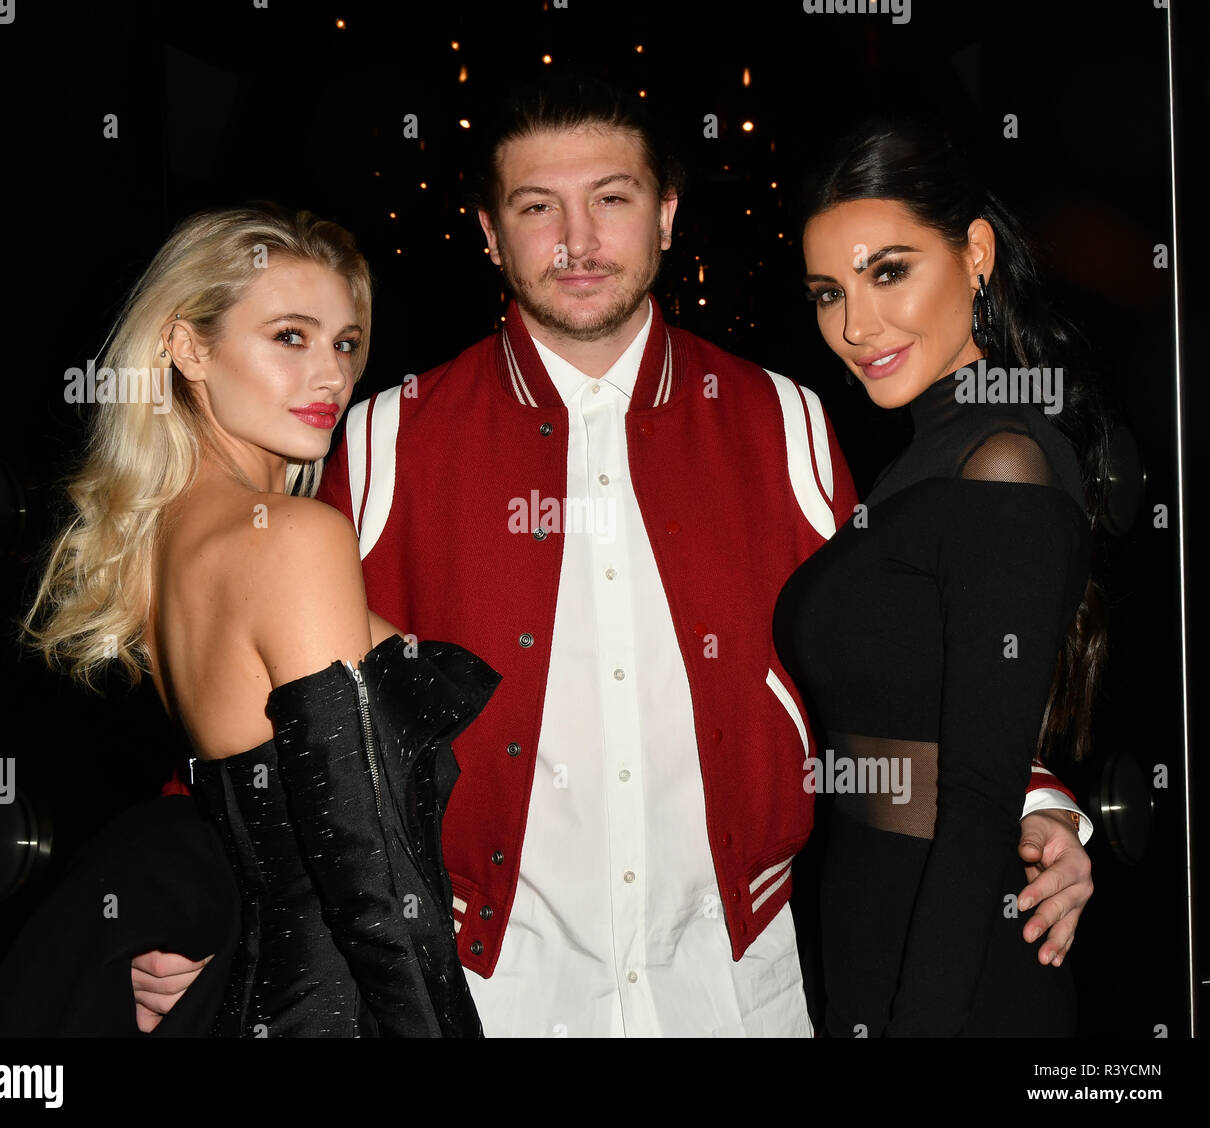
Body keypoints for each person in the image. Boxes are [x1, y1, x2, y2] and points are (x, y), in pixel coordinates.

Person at [134, 76, 1096, 1037]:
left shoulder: (785, 418)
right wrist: (193, 903)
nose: (579, 242)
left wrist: (1038, 800)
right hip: (486, 989)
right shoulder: (386, 434)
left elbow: (909, 651)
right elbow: (268, 699)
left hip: (745, 982)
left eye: (613, 199)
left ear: (667, 214)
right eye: (537, 207)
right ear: (488, 232)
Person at [13, 203, 499, 1037]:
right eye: (289, 336)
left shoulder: (167, 546)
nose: (331, 376)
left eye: (346, 342)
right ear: (189, 347)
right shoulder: (293, 540)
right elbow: (376, 890)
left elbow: (266, 841)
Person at [773, 117, 1108, 1035]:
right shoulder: (918, 461)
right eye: (827, 291)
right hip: (871, 932)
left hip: (956, 969)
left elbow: (974, 803)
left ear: (976, 256)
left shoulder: (1006, 459)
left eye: (890, 271)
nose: (855, 324)